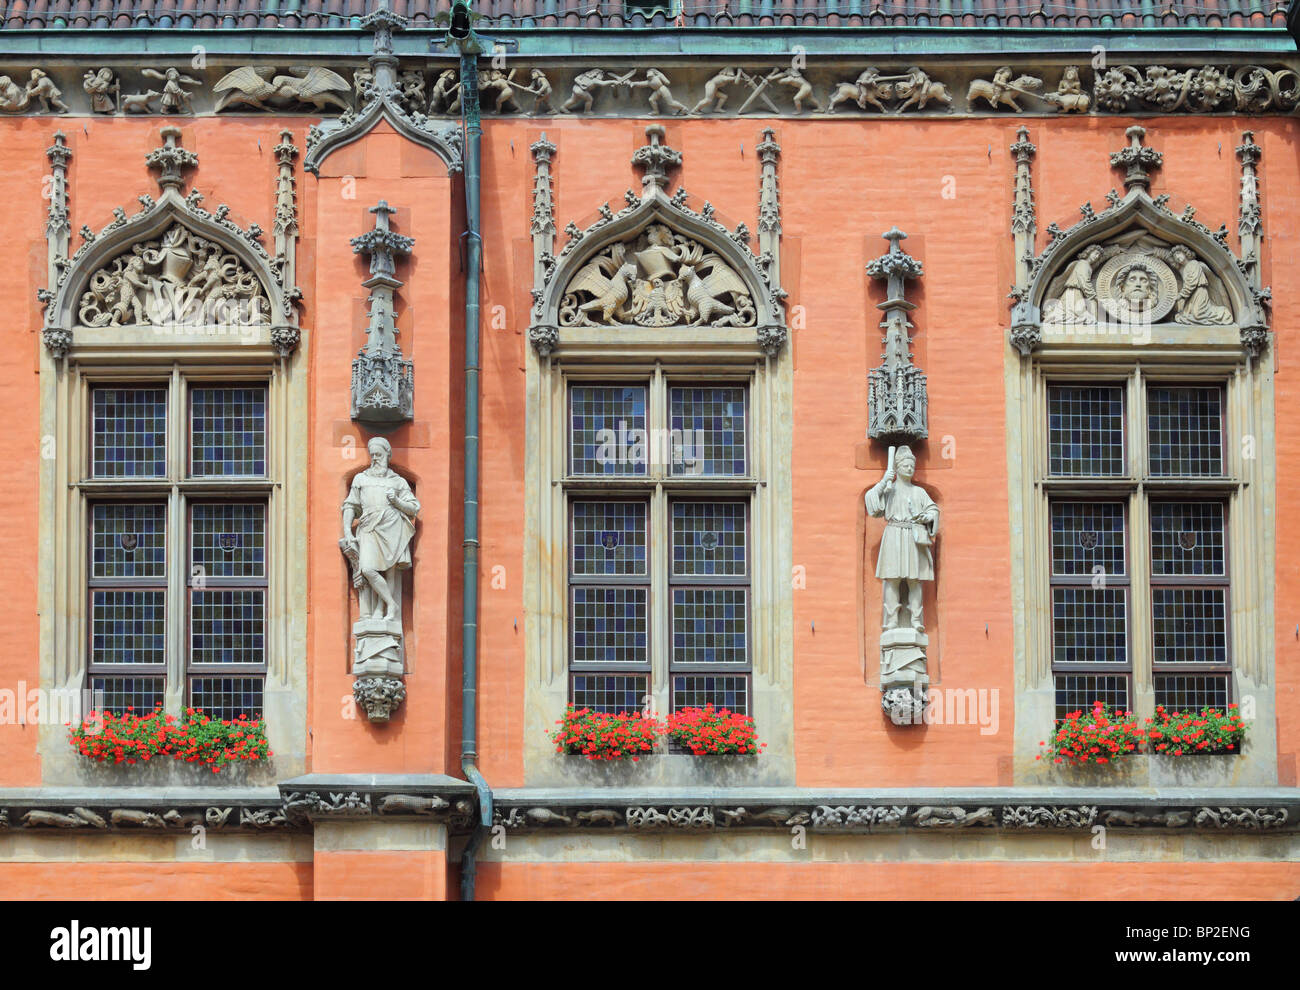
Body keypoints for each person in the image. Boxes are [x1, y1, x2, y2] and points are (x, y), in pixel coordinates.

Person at [341, 438, 420, 622]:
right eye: (373, 455)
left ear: (388, 455)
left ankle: (382, 611)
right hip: (368, 526)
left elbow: (414, 508)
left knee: (391, 571)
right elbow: (350, 505)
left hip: (392, 526)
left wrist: (397, 502)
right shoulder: (361, 479)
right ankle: (391, 603)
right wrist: (347, 531)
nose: (375, 458)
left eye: (379, 455)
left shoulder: (398, 482)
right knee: (368, 569)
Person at [864, 446, 939, 632]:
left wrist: (928, 517)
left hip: (913, 536)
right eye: (905, 465)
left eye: (911, 465)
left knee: (915, 580)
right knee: (892, 579)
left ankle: (915, 619)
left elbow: (933, 509)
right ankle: (892, 620)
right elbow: (872, 504)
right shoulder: (889, 489)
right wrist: (883, 482)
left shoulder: (919, 492)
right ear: (897, 468)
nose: (909, 468)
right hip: (894, 534)